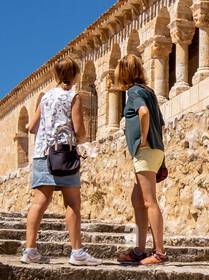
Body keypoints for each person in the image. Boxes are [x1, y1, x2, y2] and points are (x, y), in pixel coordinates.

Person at [21, 58, 99, 266]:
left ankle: (30, 249)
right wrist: (79, 138)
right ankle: (77, 252)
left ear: (56, 75)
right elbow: (79, 129)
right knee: (72, 203)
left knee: (39, 203)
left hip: (41, 154)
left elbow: (31, 127)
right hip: (64, 153)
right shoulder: (73, 96)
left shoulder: (46, 97)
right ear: (74, 75)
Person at [114, 55, 168, 267]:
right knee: (137, 200)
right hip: (153, 151)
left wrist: (143, 140)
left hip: (145, 151)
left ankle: (160, 252)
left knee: (148, 201)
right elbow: (160, 123)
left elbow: (143, 113)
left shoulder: (133, 92)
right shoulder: (149, 92)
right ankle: (139, 250)